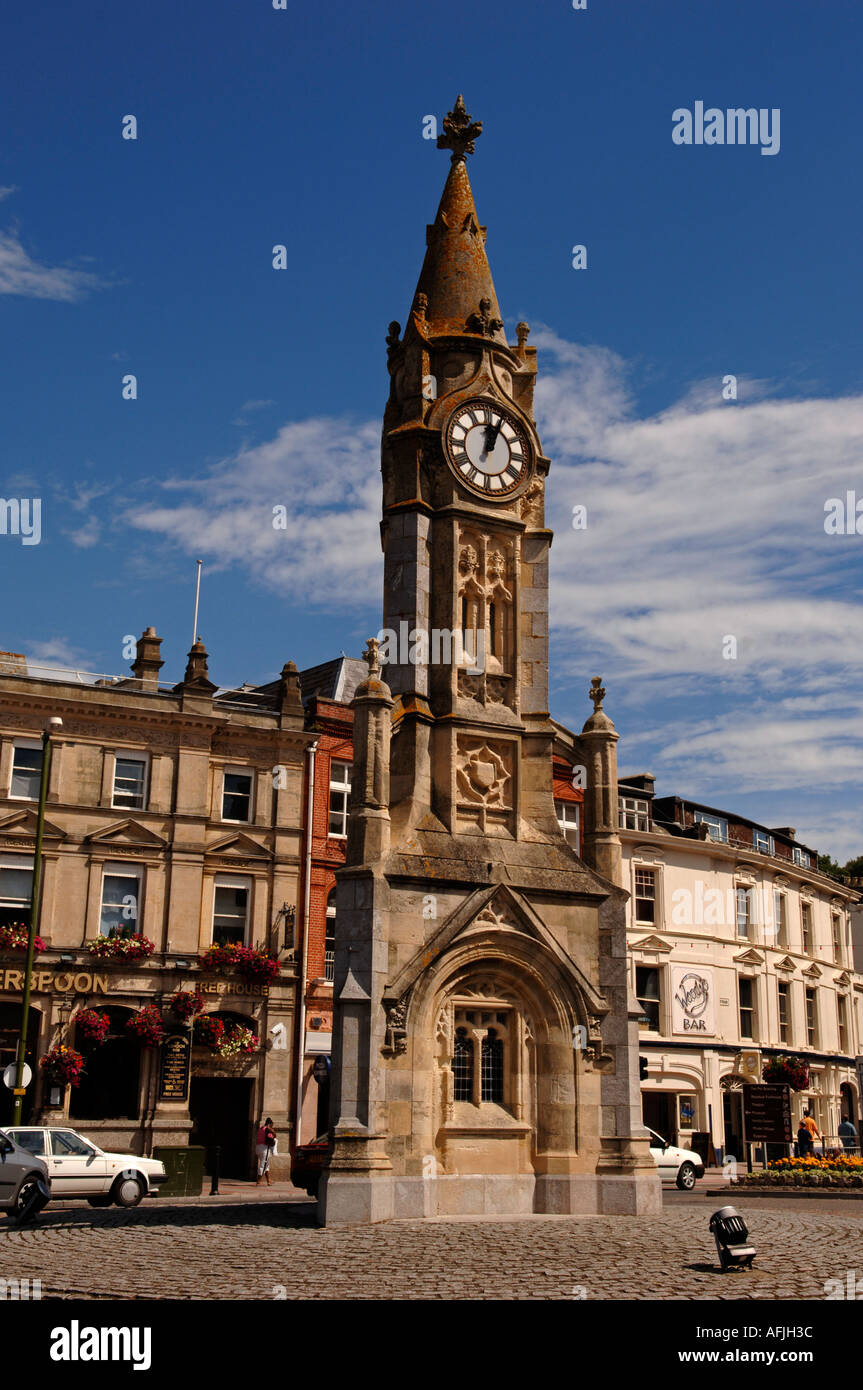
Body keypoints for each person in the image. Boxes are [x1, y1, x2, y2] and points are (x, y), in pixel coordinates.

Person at [255, 1116, 277, 1186]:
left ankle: (268, 1180)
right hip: (264, 1148)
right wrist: (273, 1134)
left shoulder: (261, 1128)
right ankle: (258, 1181)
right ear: (270, 1124)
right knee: (263, 1165)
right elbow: (271, 1138)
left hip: (258, 1147)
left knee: (266, 1164)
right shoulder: (267, 1130)